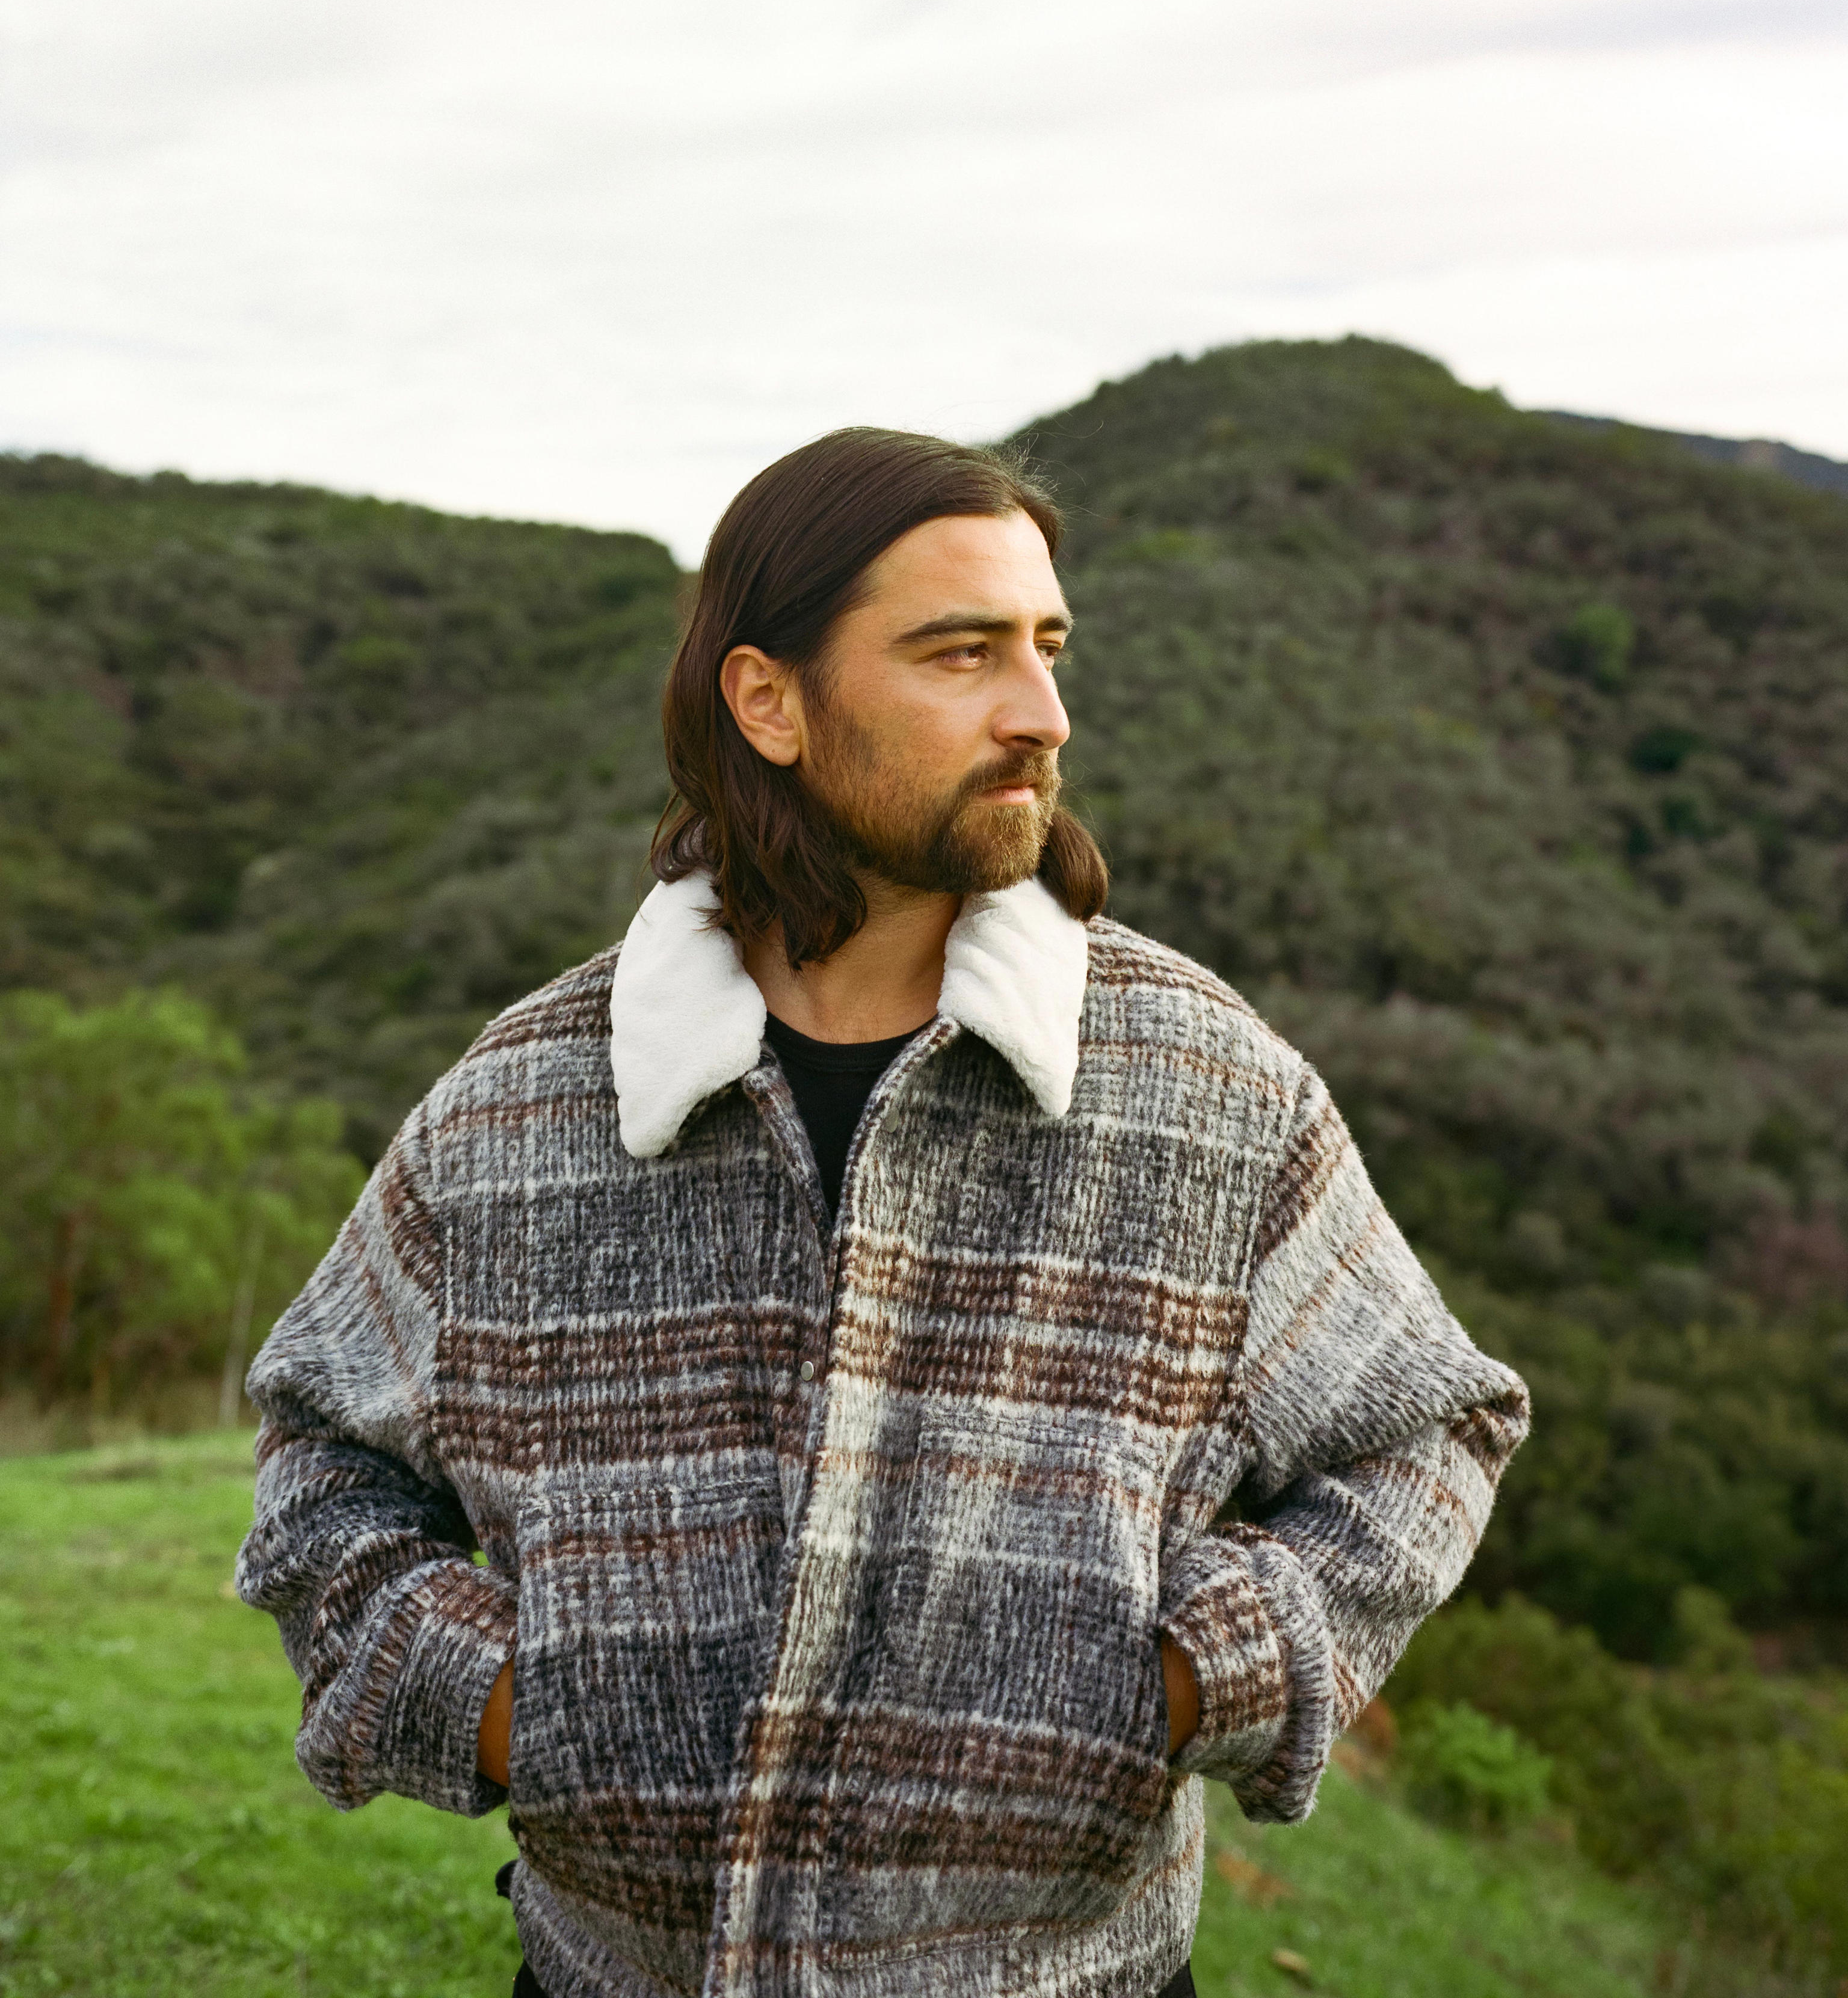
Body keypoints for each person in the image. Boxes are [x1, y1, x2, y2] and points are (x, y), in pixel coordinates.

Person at [237, 429, 1529, 1998]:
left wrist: (1193, 1680)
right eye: (960, 653)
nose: (1042, 713)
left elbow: (1430, 1427)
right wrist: (517, 1707)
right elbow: (321, 1454)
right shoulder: (525, 1102)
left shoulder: (1204, 1089)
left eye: (1047, 649)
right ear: (770, 701)